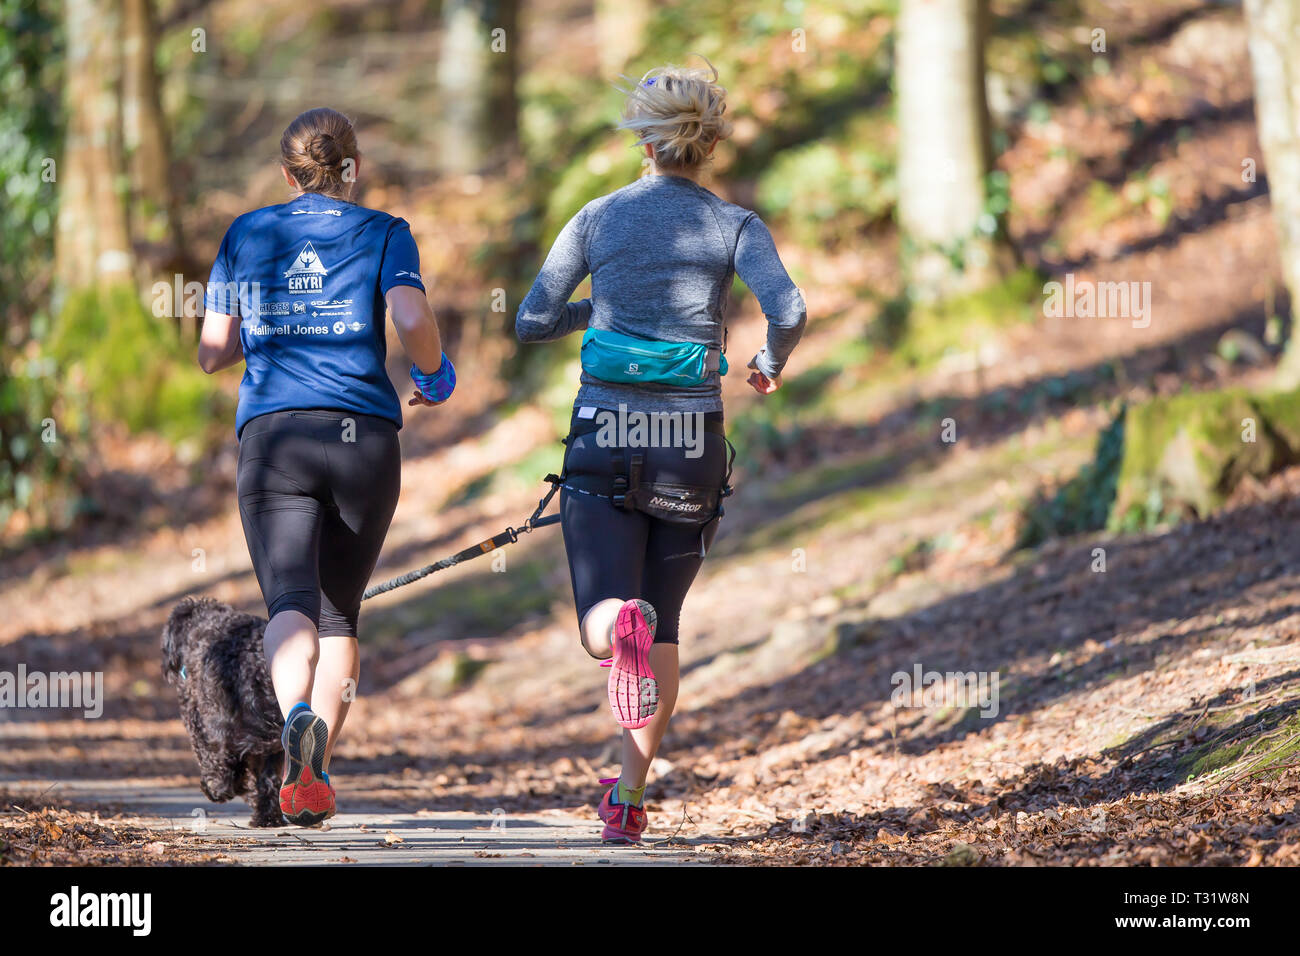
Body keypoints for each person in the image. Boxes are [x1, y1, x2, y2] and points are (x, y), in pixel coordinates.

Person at [516, 61, 806, 843]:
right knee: (667, 630)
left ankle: (618, 627)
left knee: (601, 621)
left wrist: (599, 311)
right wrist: (768, 363)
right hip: (690, 440)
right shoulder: (734, 224)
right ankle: (631, 794)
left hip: (605, 433)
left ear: (645, 141)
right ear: (706, 144)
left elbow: (532, 320)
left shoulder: (597, 218)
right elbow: (790, 306)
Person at [198, 107, 455, 826]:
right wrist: (434, 376)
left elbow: (213, 350)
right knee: (340, 616)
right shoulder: (385, 232)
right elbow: (409, 321)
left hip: (275, 438)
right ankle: (311, 777)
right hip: (364, 441)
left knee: (291, 606)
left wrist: (278, 327)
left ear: (287, 173)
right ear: (355, 166)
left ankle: (297, 714)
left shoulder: (247, 234)